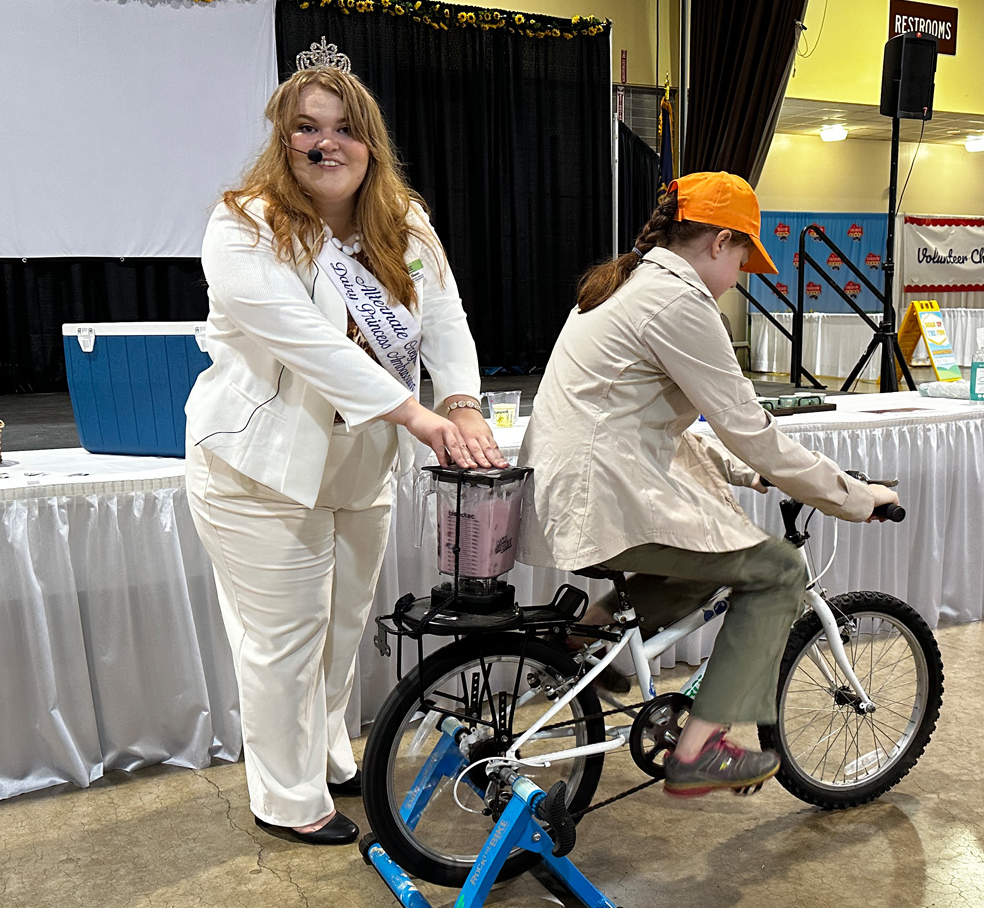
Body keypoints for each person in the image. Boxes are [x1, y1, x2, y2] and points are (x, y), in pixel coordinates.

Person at [185, 62, 506, 845]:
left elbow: (447, 321)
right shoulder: (244, 224)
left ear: (370, 142)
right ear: (282, 139)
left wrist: (461, 401)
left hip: (360, 465)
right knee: (284, 639)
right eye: (306, 127)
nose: (325, 142)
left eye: (343, 127)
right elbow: (306, 344)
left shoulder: (407, 221)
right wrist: (421, 418)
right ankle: (286, 798)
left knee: (339, 628)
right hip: (259, 470)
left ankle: (328, 759)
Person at [517, 172, 898, 798]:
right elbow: (748, 426)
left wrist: (754, 475)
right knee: (776, 569)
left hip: (582, 491)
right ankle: (699, 749)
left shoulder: (626, 286)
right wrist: (852, 497)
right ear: (721, 242)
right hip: (602, 499)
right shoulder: (678, 303)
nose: (743, 274)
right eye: (745, 257)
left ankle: (592, 637)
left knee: (716, 556)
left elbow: (658, 430)